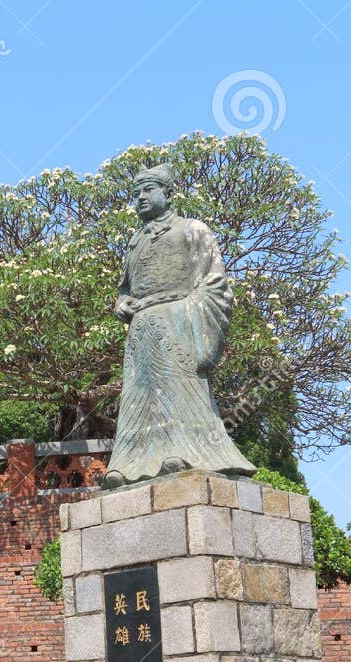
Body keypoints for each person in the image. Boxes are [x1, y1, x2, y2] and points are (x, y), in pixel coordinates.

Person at [101, 163, 256, 488]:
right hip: (141, 330)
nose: (141, 198)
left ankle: (186, 453)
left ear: (169, 193)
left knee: (179, 387)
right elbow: (126, 289)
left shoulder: (192, 230)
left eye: (148, 190)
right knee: (137, 396)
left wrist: (187, 313)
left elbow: (215, 283)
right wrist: (122, 304)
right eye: (136, 193)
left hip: (180, 323)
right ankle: (129, 464)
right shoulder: (136, 241)